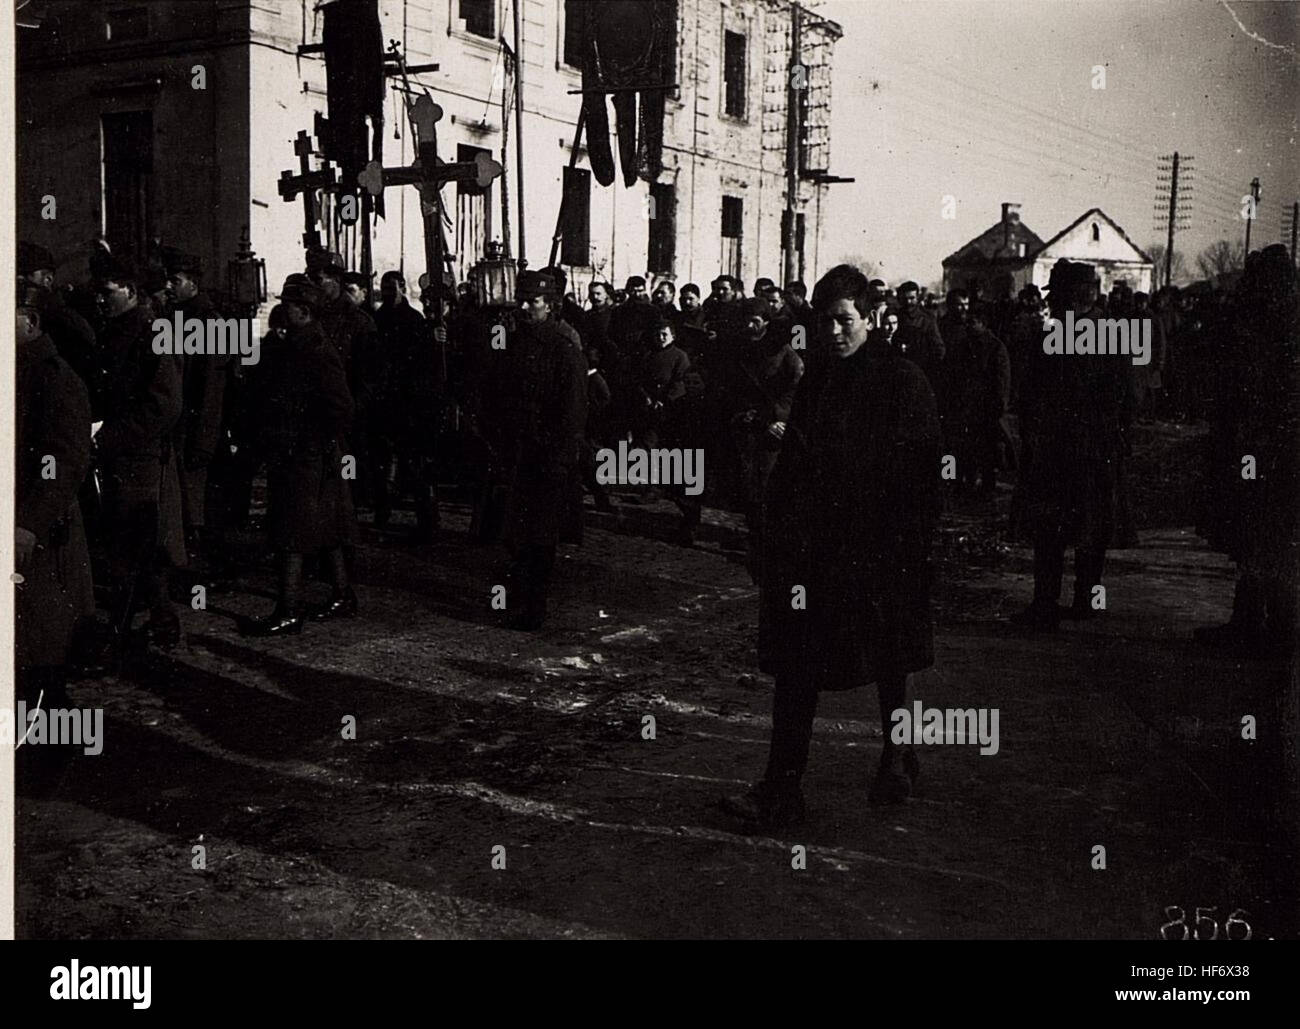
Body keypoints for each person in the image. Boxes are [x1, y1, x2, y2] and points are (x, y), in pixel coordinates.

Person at [721, 264, 941, 830]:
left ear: (871, 319)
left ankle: (898, 756)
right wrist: (767, 537)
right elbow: (792, 465)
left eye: (844, 320)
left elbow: (919, 481)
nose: (833, 332)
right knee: (798, 665)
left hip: (879, 552)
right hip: (815, 554)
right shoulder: (819, 378)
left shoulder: (902, 380)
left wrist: (900, 553)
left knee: (891, 658)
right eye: (823, 322)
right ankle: (782, 789)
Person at [1011, 260, 1128, 630]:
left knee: (1052, 530)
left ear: (1070, 296)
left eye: (1057, 296)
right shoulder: (1114, 332)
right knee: (1090, 528)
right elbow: (1128, 398)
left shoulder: (1057, 334)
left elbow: (1032, 394)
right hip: (1095, 450)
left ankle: (1046, 605)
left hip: (1062, 452)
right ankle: (1086, 601)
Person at [241, 277, 356, 636]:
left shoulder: (316, 350)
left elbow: (341, 407)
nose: (282, 309)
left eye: (288, 305)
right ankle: (342, 594)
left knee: (291, 531)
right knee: (325, 526)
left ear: (303, 311)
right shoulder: (295, 344)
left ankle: (289, 609)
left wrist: (309, 442)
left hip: (307, 456)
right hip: (300, 453)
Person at [90, 257, 184, 656]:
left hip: (140, 457)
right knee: (135, 543)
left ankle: (119, 634)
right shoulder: (115, 330)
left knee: (130, 544)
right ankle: (161, 619)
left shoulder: (153, 332)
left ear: (129, 289)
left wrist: (109, 436)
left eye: (107, 291)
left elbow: (164, 405)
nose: (99, 299)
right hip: (118, 453)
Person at [15, 305, 95, 709]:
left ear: (31, 321)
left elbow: (62, 461)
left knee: (44, 639)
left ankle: (54, 742)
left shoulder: (54, 378)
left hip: (42, 529)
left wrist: (30, 522)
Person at [499, 270, 588, 631]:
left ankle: (535, 606)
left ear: (549, 306)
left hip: (548, 459)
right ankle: (517, 599)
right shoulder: (514, 343)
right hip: (518, 454)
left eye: (532, 302)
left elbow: (573, 413)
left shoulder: (565, 351)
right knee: (515, 535)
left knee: (540, 537)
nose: (523, 307)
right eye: (521, 299)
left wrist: (560, 461)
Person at [165, 252, 232, 575]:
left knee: (200, 507)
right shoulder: (177, 316)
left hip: (198, 431)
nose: (168, 286)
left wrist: (204, 440)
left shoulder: (210, 321)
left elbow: (212, 389)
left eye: (175, 280)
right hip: (181, 428)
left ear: (193, 283)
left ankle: (207, 574)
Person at [940, 300, 1010, 496]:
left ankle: (988, 487)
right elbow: (950, 374)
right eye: (967, 322)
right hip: (964, 407)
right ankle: (964, 484)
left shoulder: (996, 348)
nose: (968, 326)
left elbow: (1002, 382)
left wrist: (998, 408)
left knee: (988, 451)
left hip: (985, 409)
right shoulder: (962, 345)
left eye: (973, 322)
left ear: (983, 324)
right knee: (964, 450)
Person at [893, 280, 946, 394]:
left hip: (921, 371)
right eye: (905, 298)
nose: (908, 302)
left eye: (912, 298)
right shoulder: (895, 317)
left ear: (918, 298)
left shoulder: (927, 319)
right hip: (898, 372)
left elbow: (939, 349)